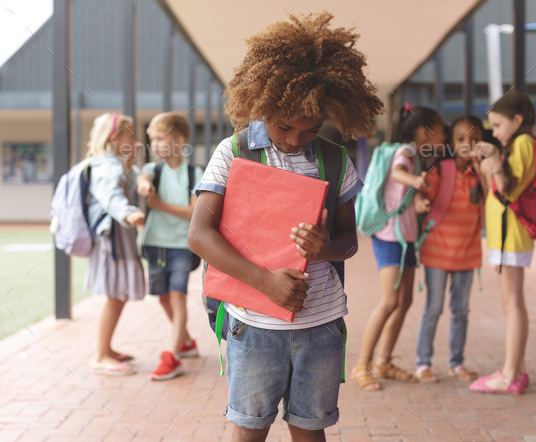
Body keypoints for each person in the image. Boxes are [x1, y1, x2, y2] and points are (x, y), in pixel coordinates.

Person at [188, 11, 383, 442]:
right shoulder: (234, 151)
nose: (296, 138)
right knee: (248, 431)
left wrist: (325, 248)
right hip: (253, 325)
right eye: (285, 126)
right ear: (262, 105)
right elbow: (199, 235)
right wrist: (265, 282)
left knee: (310, 432)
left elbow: (350, 242)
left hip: (322, 325)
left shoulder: (333, 159)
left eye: (310, 128)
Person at [351, 105, 447, 391]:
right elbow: (399, 174)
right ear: (425, 132)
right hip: (390, 237)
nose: (444, 135)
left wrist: (419, 201)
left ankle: (384, 361)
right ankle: (362, 365)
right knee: (390, 301)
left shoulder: (416, 157)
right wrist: (415, 180)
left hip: (405, 236)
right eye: (441, 130)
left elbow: (405, 198)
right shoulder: (405, 152)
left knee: (404, 302)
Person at [469, 92, 536, 394]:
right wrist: (489, 161)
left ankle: (509, 375)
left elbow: (507, 189)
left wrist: (493, 158)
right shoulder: (514, 146)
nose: (494, 132)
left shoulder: (523, 144)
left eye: (497, 125)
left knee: (512, 303)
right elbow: (494, 187)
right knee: (513, 302)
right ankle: (517, 370)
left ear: (517, 121)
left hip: (511, 235)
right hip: (505, 235)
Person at [413, 115, 485, 383]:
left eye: (475, 139)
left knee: (461, 310)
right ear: (452, 142)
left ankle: (457, 362)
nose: (468, 143)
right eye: (461, 138)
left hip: (469, 252)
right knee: (433, 308)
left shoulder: (480, 172)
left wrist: (485, 166)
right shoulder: (441, 169)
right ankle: (423, 363)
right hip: (437, 252)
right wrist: (420, 202)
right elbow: (421, 192)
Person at [136, 112, 203, 381]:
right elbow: (142, 180)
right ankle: (185, 341)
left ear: (179, 140)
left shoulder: (193, 172)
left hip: (181, 246)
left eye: (160, 138)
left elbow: (192, 212)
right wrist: (144, 188)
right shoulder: (152, 170)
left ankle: (172, 355)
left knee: (177, 296)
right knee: (163, 297)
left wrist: (158, 205)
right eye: (151, 139)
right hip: (154, 244)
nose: (154, 144)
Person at [85, 113, 145, 375]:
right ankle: (100, 355)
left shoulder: (111, 162)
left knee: (117, 295)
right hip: (114, 240)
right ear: (114, 138)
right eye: (129, 134)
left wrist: (131, 161)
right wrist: (128, 212)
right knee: (115, 294)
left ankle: (105, 348)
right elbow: (111, 194)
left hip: (117, 237)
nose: (134, 139)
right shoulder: (107, 165)